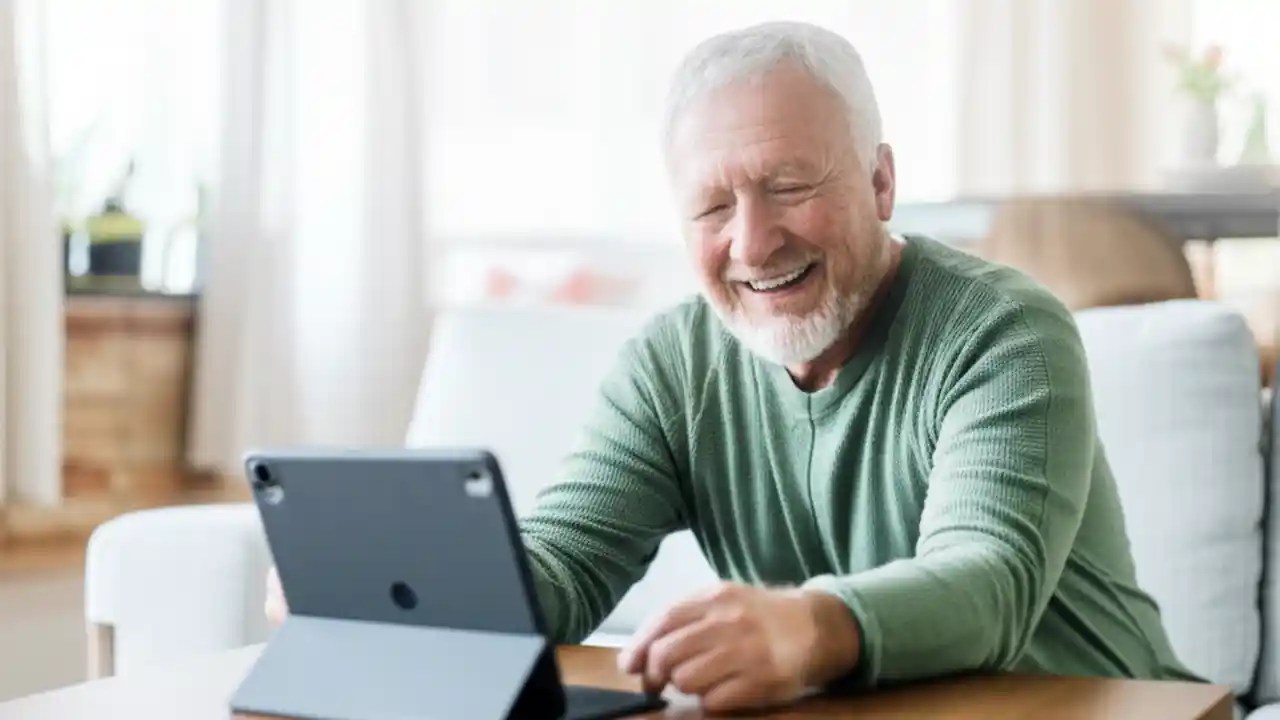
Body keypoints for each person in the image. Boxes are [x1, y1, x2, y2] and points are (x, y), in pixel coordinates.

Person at [266, 20, 1195, 713]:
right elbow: (567, 563)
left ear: (880, 183)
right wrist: (407, 591)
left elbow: (986, 580)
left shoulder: (1002, 331)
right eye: (713, 207)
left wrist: (808, 628)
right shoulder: (674, 364)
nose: (753, 241)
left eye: (790, 186)